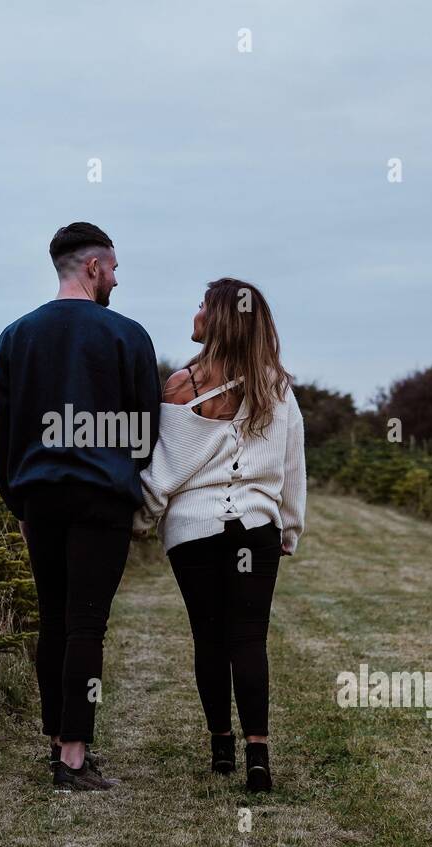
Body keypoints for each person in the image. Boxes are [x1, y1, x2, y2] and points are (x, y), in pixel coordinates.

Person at [0, 222, 160, 791]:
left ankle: (60, 742)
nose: (116, 277)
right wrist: (129, 482)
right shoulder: (126, 336)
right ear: (92, 267)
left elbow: (2, 428)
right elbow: (144, 427)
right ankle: (75, 759)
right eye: (112, 267)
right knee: (87, 623)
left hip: (39, 496)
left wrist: (16, 495)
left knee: (54, 618)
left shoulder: (15, 337)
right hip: (100, 496)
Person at [133, 277, 305, 792]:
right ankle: (258, 755)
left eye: (202, 305)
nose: (195, 313)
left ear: (219, 319)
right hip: (256, 529)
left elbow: (163, 471)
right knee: (249, 640)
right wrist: (289, 529)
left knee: (208, 639)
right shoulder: (277, 388)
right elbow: (292, 468)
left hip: (194, 534)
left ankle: (220, 748)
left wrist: (140, 523)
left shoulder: (179, 387)